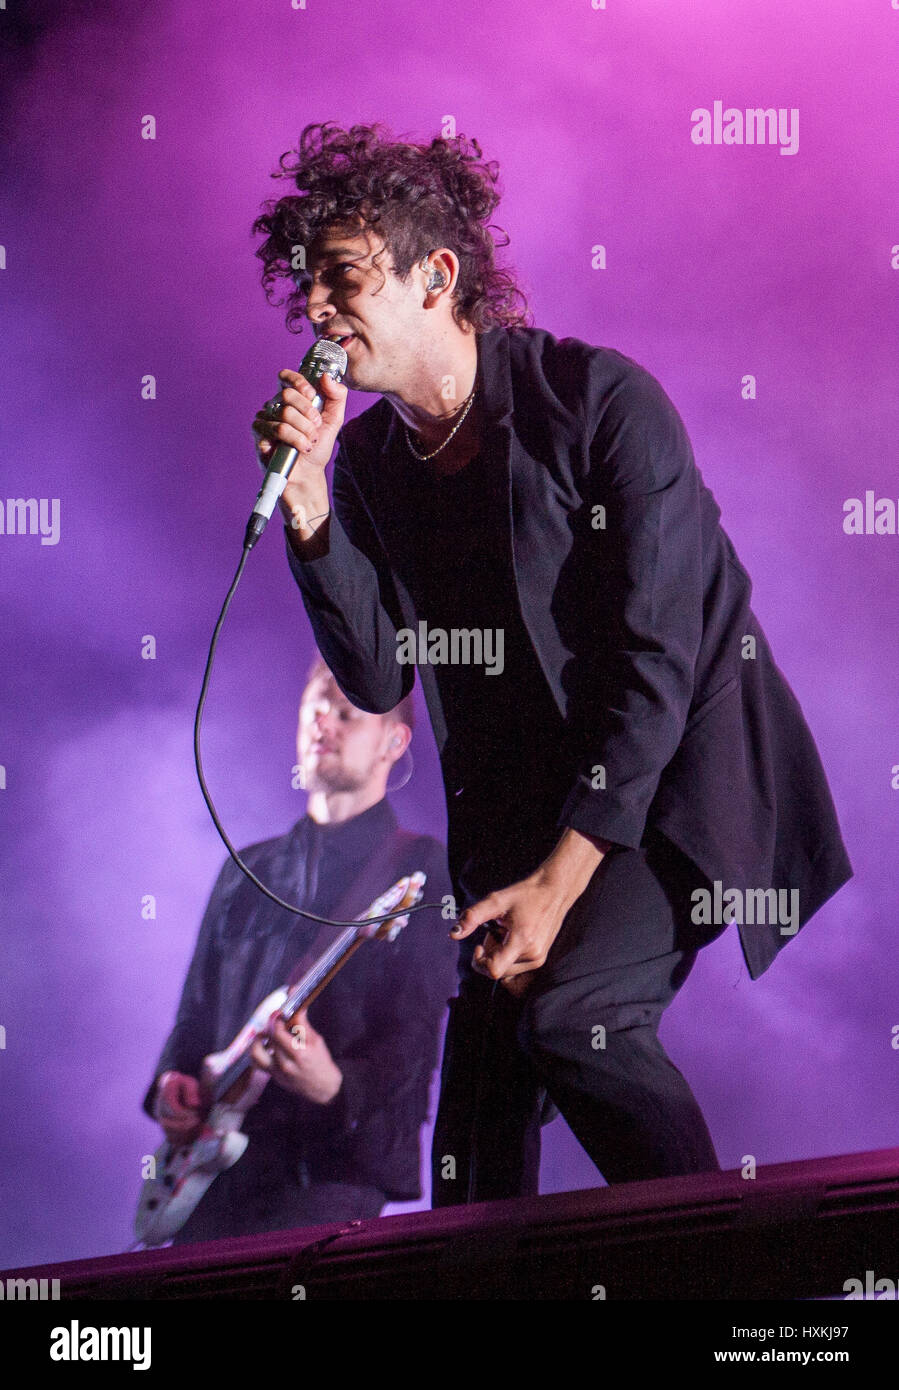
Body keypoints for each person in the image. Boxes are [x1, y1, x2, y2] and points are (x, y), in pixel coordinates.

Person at [250, 121, 852, 1206]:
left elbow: (654, 664)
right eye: (306, 295)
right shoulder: (376, 463)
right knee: (471, 1140)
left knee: (573, 1014)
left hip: (673, 792)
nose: (318, 317)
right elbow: (381, 677)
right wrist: (307, 510)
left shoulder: (600, 403)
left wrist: (557, 883)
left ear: (436, 276)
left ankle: (727, 1283)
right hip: (523, 819)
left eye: (340, 281)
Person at [142, 654, 457, 1241]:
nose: (323, 722)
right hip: (215, 1172)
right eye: (316, 705)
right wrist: (173, 1083)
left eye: (347, 713)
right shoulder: (247, 869)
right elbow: (195, 1012)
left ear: (394, 740)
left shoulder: (422, 868)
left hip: (328, 1170)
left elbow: (417, 1034)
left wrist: (337, 1086)